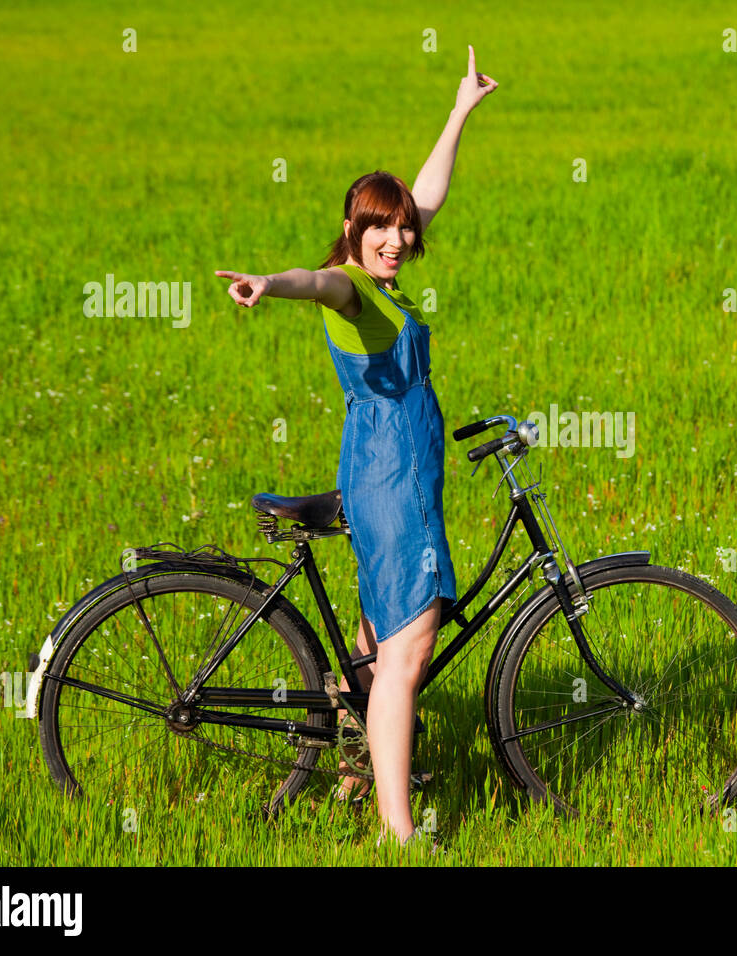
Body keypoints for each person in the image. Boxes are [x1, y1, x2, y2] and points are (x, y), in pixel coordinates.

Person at [214, 46, 498, 849]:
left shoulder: (386, 278)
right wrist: (271, 284)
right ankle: (397, 829)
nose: (398, 239)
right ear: (354, 230)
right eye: (382, 228)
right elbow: (317, 279)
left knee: (380, 639)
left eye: (403, 228)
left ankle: (349, 760)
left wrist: (459, 111)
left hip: (397, 474)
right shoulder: (348, 288)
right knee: (407, 656)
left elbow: (430, 193)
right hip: (389, 480)